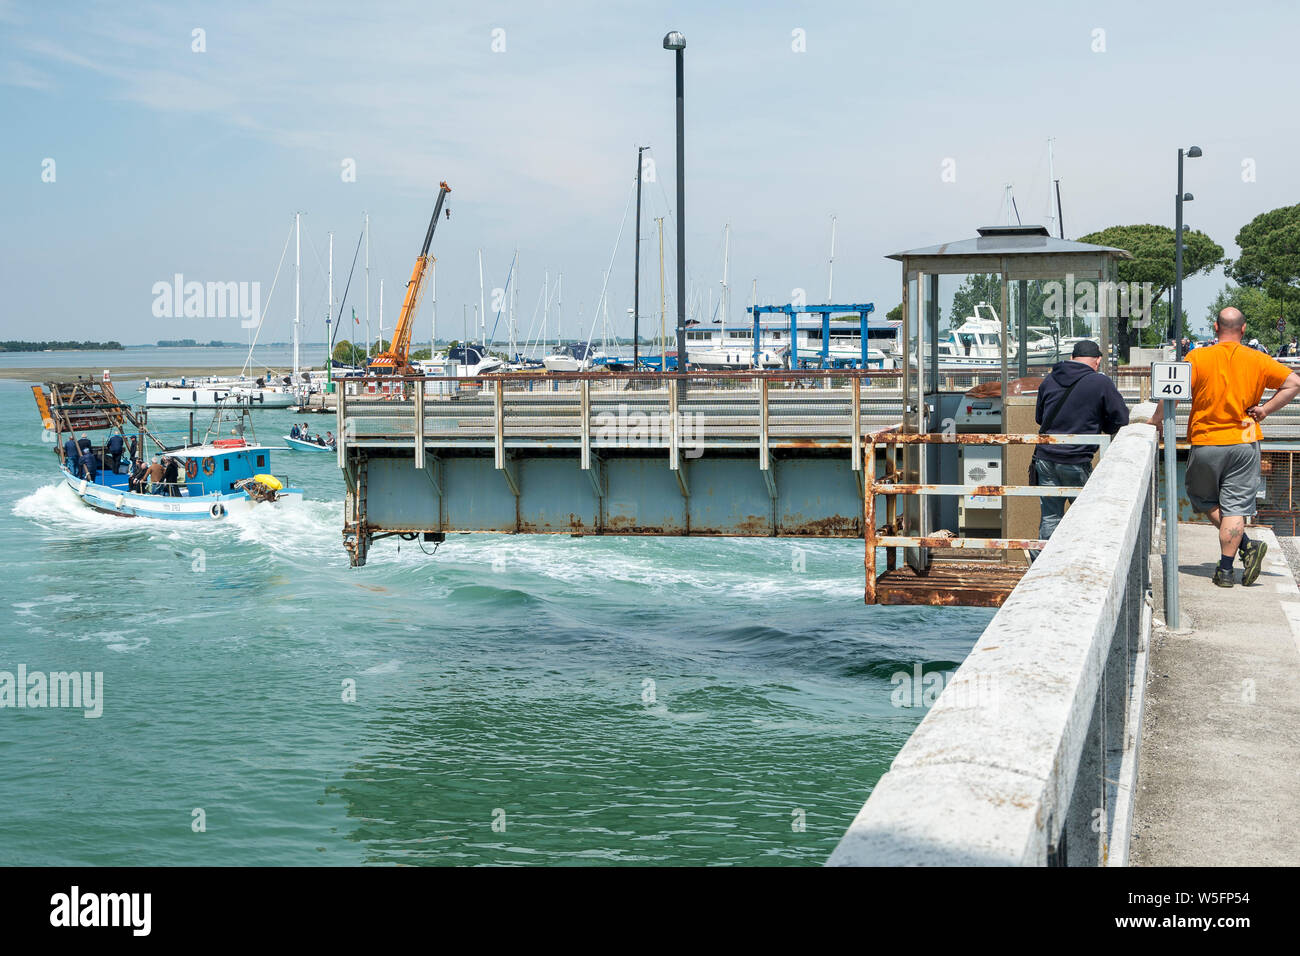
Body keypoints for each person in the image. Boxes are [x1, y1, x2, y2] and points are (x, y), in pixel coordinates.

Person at [1186, 307, 1300, 587]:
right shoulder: (1258, 359)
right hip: (1245, 441)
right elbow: (1294, 382)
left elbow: (1172, 396)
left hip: (1206, 440)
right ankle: (1226, 570)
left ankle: (1246, 547)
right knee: (1235, 507)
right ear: (1244, 329)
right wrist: (1265, 410)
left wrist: (1155, 421)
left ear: (1215, 327)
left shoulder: (1197, 357)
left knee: (1202, 498)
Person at [1030, 339, 1131, 556]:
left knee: (1050, 515)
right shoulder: (1099, 382)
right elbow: (1121, 418)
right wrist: (1101, 424)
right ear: (1098, 360)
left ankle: (1044, 559)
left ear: (1073, 357)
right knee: (1086, 515)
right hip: (1076, 459)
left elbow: (1040, 418)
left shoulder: (1050, 379)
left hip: (1045, 458)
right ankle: (1081, 558)